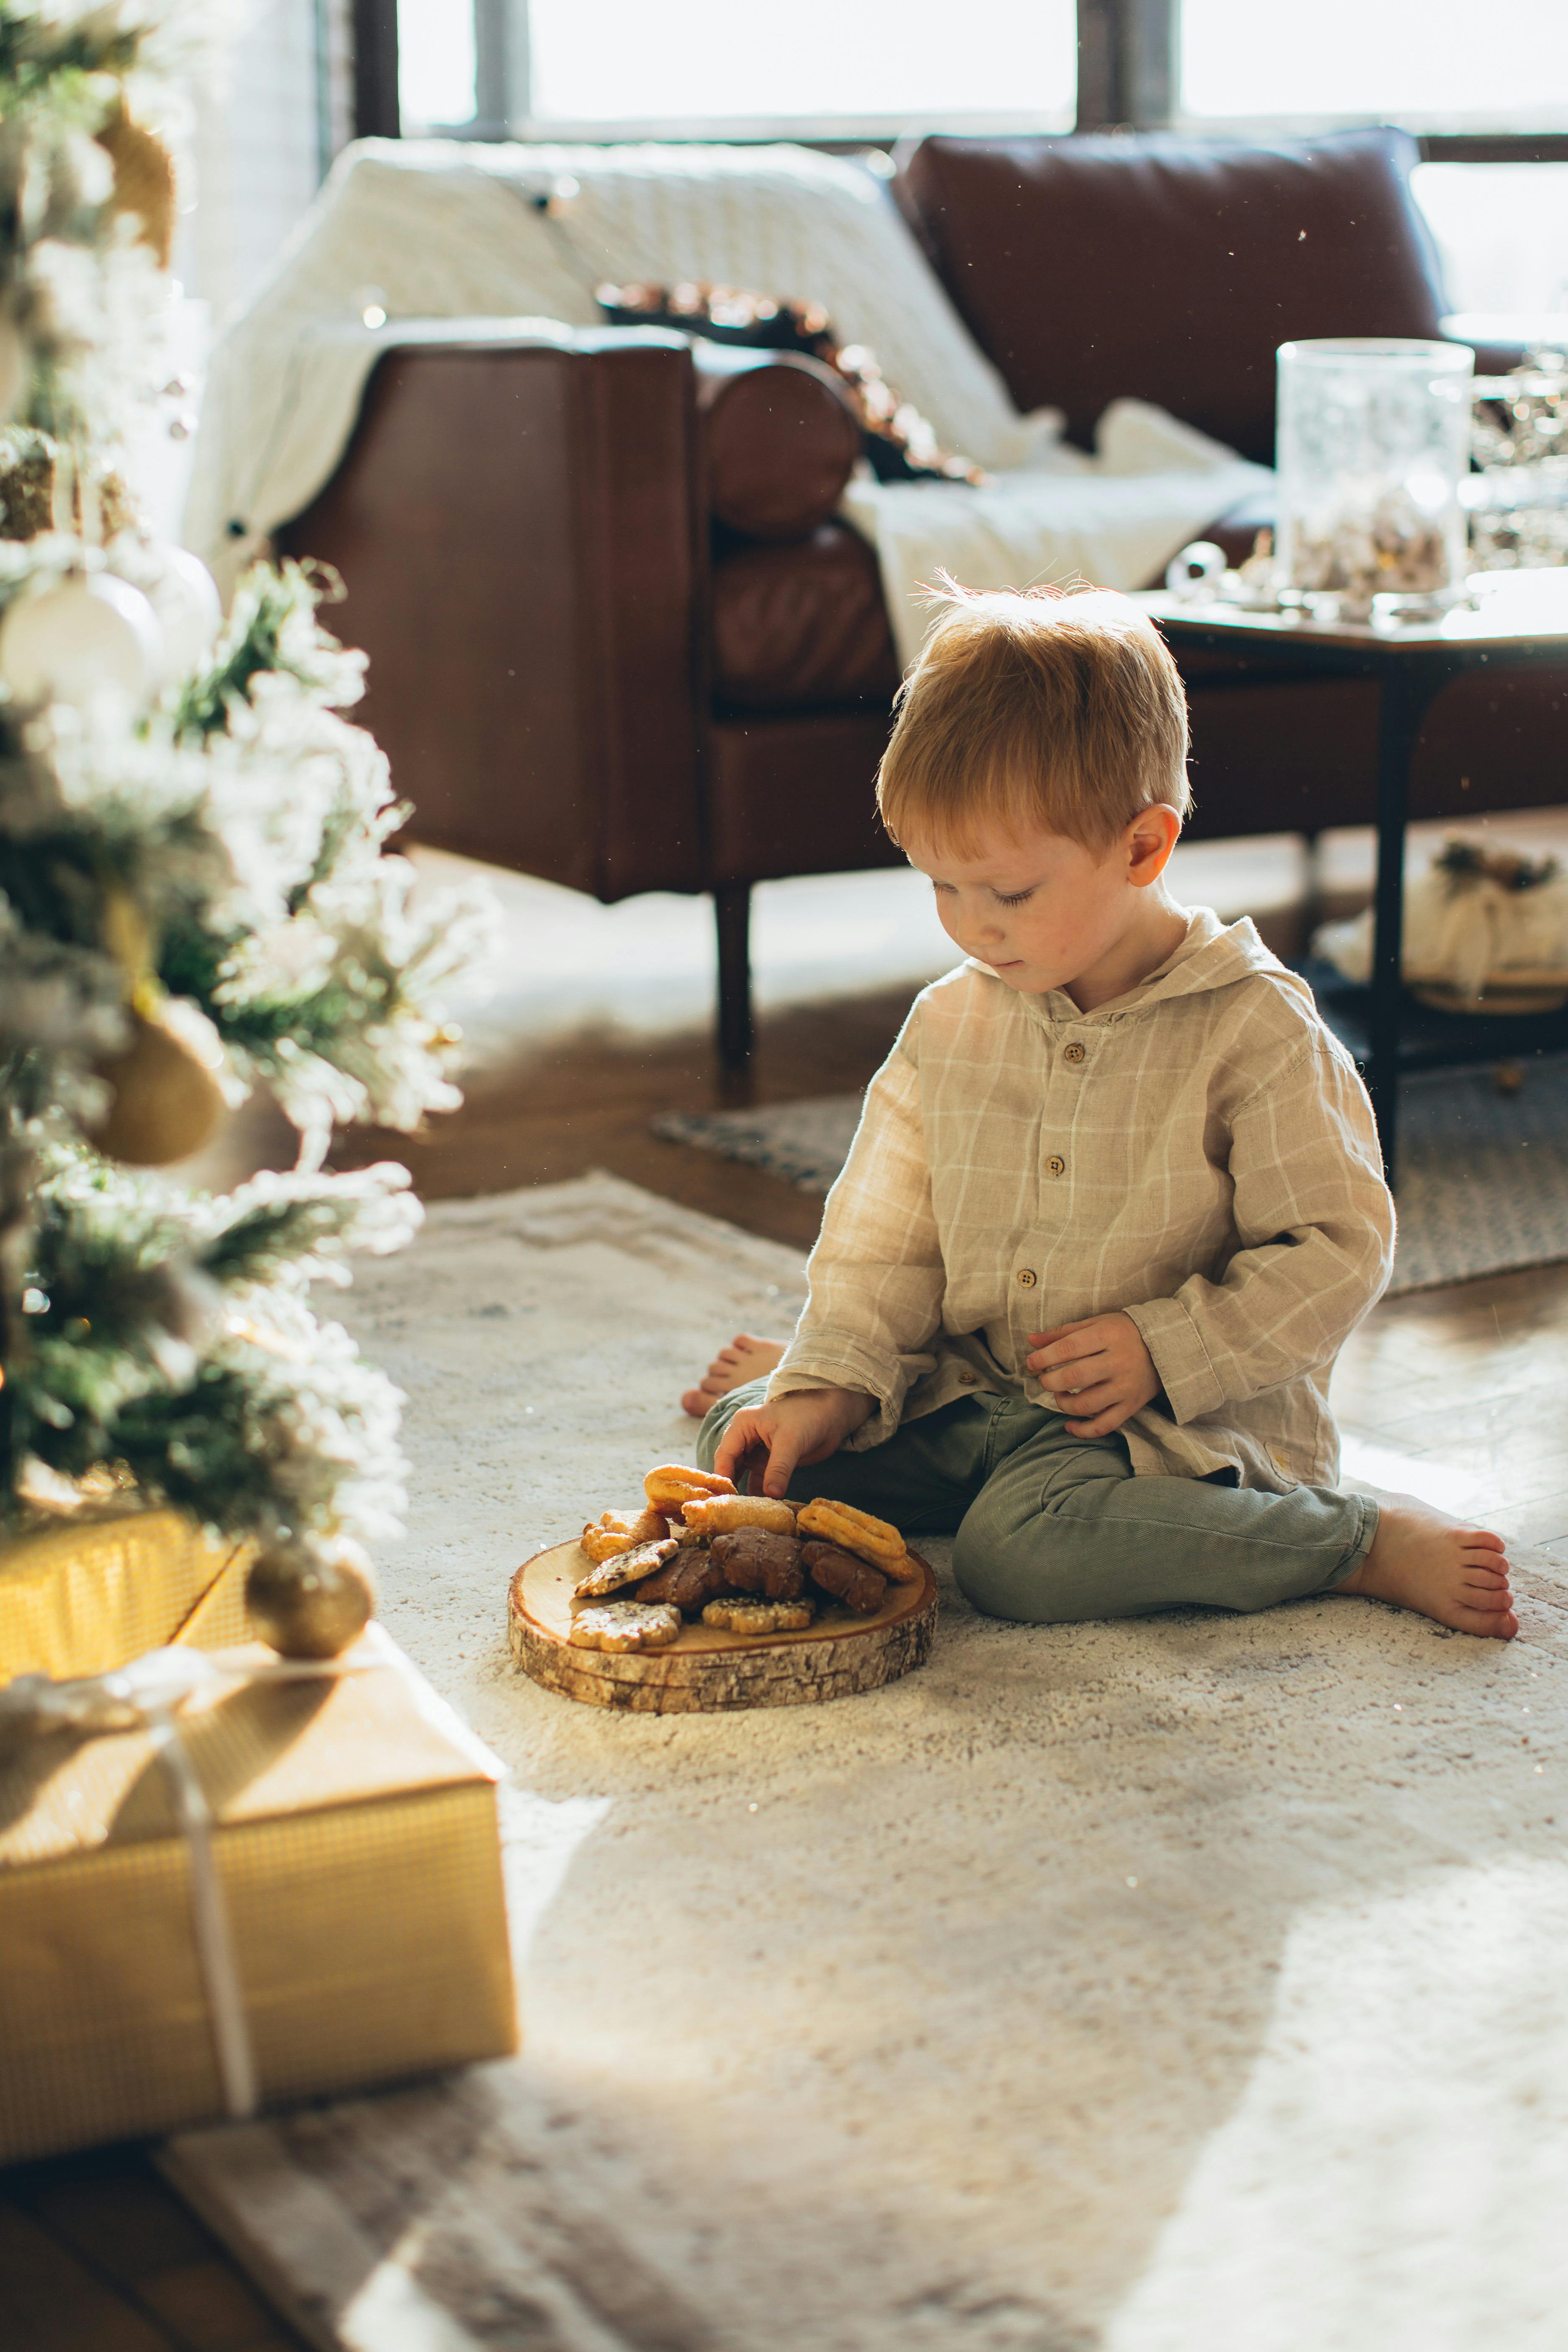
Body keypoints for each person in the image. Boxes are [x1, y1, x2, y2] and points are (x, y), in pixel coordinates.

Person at [686, 583, 1516, 1639]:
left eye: (1011, 894)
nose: (971, 929)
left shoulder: (1254, 1029)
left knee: (1020, 1558)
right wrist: (832, 1381)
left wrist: (1165, 1344)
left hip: (1162, 1429)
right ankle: (833, 1375)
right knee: (749, 1442)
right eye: (942, 887)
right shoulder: (949, 1023)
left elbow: (1338, 1250)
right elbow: (882, 1247)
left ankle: (1351, 1543)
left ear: (1142, 849)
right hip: (979, 1395)